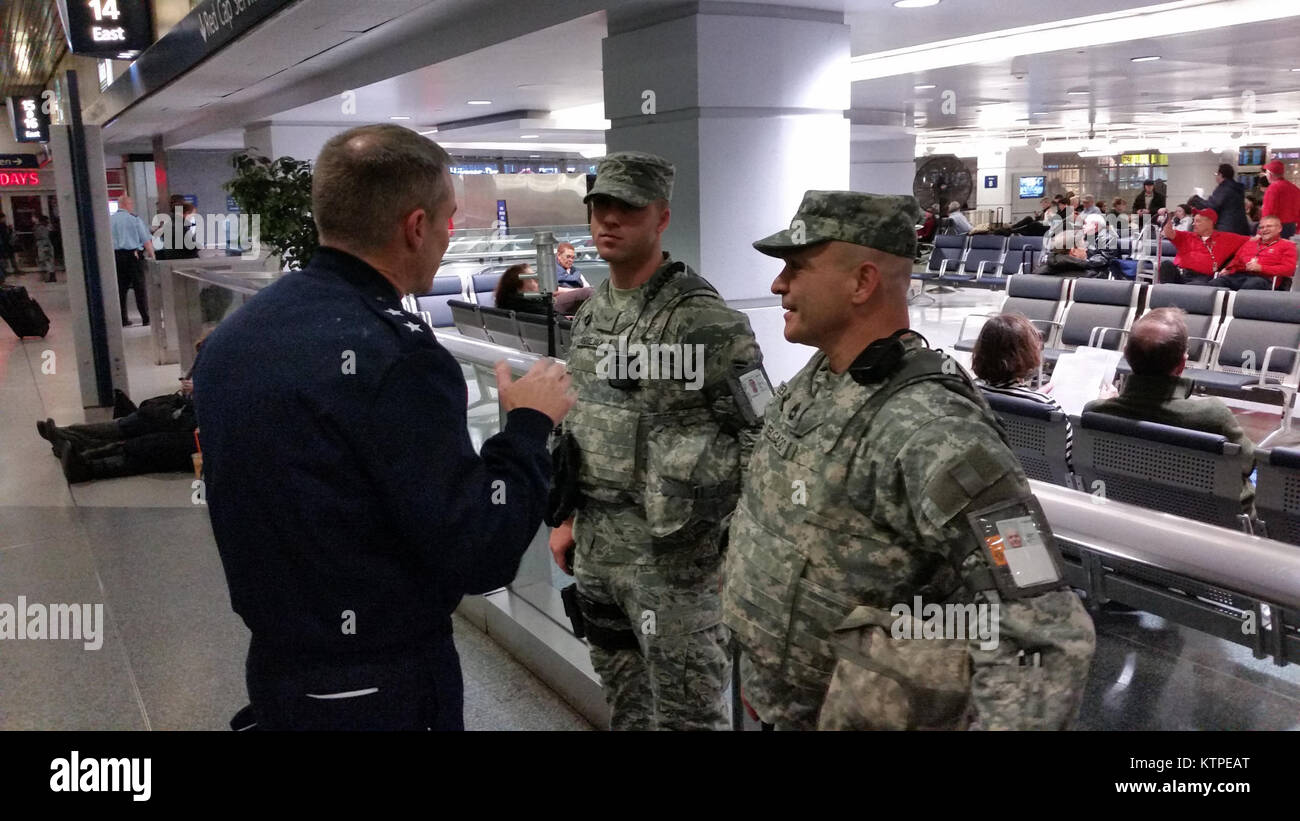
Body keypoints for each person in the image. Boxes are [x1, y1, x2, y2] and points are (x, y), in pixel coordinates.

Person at [193, 124, 576, 731]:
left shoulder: (237, 334)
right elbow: (480, 552)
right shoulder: (395, 357)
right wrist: (528, 424)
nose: (450, 237)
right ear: (416, 226)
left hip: (279, 666)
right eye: (449, 220)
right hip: (378, 684)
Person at [723, 190, 1096, 731]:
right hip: (779, 706)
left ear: (862, 282)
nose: (779, 284)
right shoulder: (821, 380)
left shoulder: (934, 429)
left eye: (796, 268)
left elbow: (1044, 631)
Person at [547, 151, 768, 730]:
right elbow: (580, 421)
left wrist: (737, 548)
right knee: (626, 708)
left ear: (661, 217)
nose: (609, 221)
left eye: (627, 208)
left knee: (689, 719)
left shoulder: (705, 323)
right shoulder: (593, 313)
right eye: (600, 207)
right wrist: (566, 518)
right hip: (598, 548)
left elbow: (760, 436)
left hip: (677, 566)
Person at [1084, 308, 1255, 513]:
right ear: (1182, 363)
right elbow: (1247, 463)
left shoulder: (1096, 413)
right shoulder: (1212, 415)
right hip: (1212, 522)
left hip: (1128, 514)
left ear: (1127, 355)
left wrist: (1106, 403)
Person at [36, 374, 199, 483]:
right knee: (142, 425)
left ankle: (81, 453)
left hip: (203, 429)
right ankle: (75, 443)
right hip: (199, 420)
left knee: (155, 443)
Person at [971, 312, 1076, 471]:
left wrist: (1031, 398)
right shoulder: (1047, 407)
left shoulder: (967, 392)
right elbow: (1070, 461)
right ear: (1027, 355)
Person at [1158, 208, 1248, 285]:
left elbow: (1253, 240)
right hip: (1180, 273)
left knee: (1197, 284)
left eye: (1197, 221)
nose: (1193, 224)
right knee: (1166, 265)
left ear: (1210, 223)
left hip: (1202, 278)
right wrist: (1167, 217)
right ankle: (1166, 296)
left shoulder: (1226, 238)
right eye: (1194, 221)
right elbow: (1169, 233)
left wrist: (1233, 265)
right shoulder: (1187, 236)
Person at [1212, 215, 1297, 291]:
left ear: (1279, 228)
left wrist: (1261, 268)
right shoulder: (1250, 243)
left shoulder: (1287, 246)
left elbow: (1289, 269)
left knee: (1252, 284)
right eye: (1261, 227)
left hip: (1265, 278)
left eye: (1269, 226)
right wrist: (1228, 269)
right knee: (1215, 283)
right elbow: (1236, 260)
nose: (1265, 229)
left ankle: (1238, 308)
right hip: (1240, 275)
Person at [110, 195, 156, 326]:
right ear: (127, 204)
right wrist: (152, 255)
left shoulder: (110, 220)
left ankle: (123, 318)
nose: (132, 206)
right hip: (133, 256)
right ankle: (145, 317)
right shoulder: (134, 220)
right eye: (131, 204)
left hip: (116, 257)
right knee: (139, 288)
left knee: (120, 289)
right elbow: (146, 240)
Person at [493, 262, 591, 316]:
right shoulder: (536, 310)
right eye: (532, 278)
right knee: (589, 293)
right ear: (519, 287)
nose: (537, 280)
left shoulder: (516, 306)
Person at [1197, 163, 1251, 236]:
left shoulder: (1224, 188)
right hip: (1242, 228)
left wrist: (1197, 200)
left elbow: (1212, 206)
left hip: (1227, 228)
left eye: (1216, 174)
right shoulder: (1237, 188)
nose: (1216, 177)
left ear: (1221, 175)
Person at [1261, 160, 1300, 239]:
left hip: (1276, 228)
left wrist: (1262, 230)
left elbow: (1268, 211)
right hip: (1292, 228)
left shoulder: (1272, 188)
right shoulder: (1294, 188)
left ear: (1270, 174)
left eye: (1267, 173)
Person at [33, 215, 57, 283]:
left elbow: (43, 237)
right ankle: (51, 276)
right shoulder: (46, 227)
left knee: (47, 261)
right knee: (48, 261)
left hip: (44, 245)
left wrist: (45, 247)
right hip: (45, 244)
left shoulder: (41, 228)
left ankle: (51, 276)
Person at [0, 212, 17, 279]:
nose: (4, 219)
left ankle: (6, 271)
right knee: (4, 258)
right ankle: (4, 271)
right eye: (3, 218)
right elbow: (5, 235)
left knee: (8, 256)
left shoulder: (3, 225)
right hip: (4, 244)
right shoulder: (2, 226)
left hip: (5, 243)